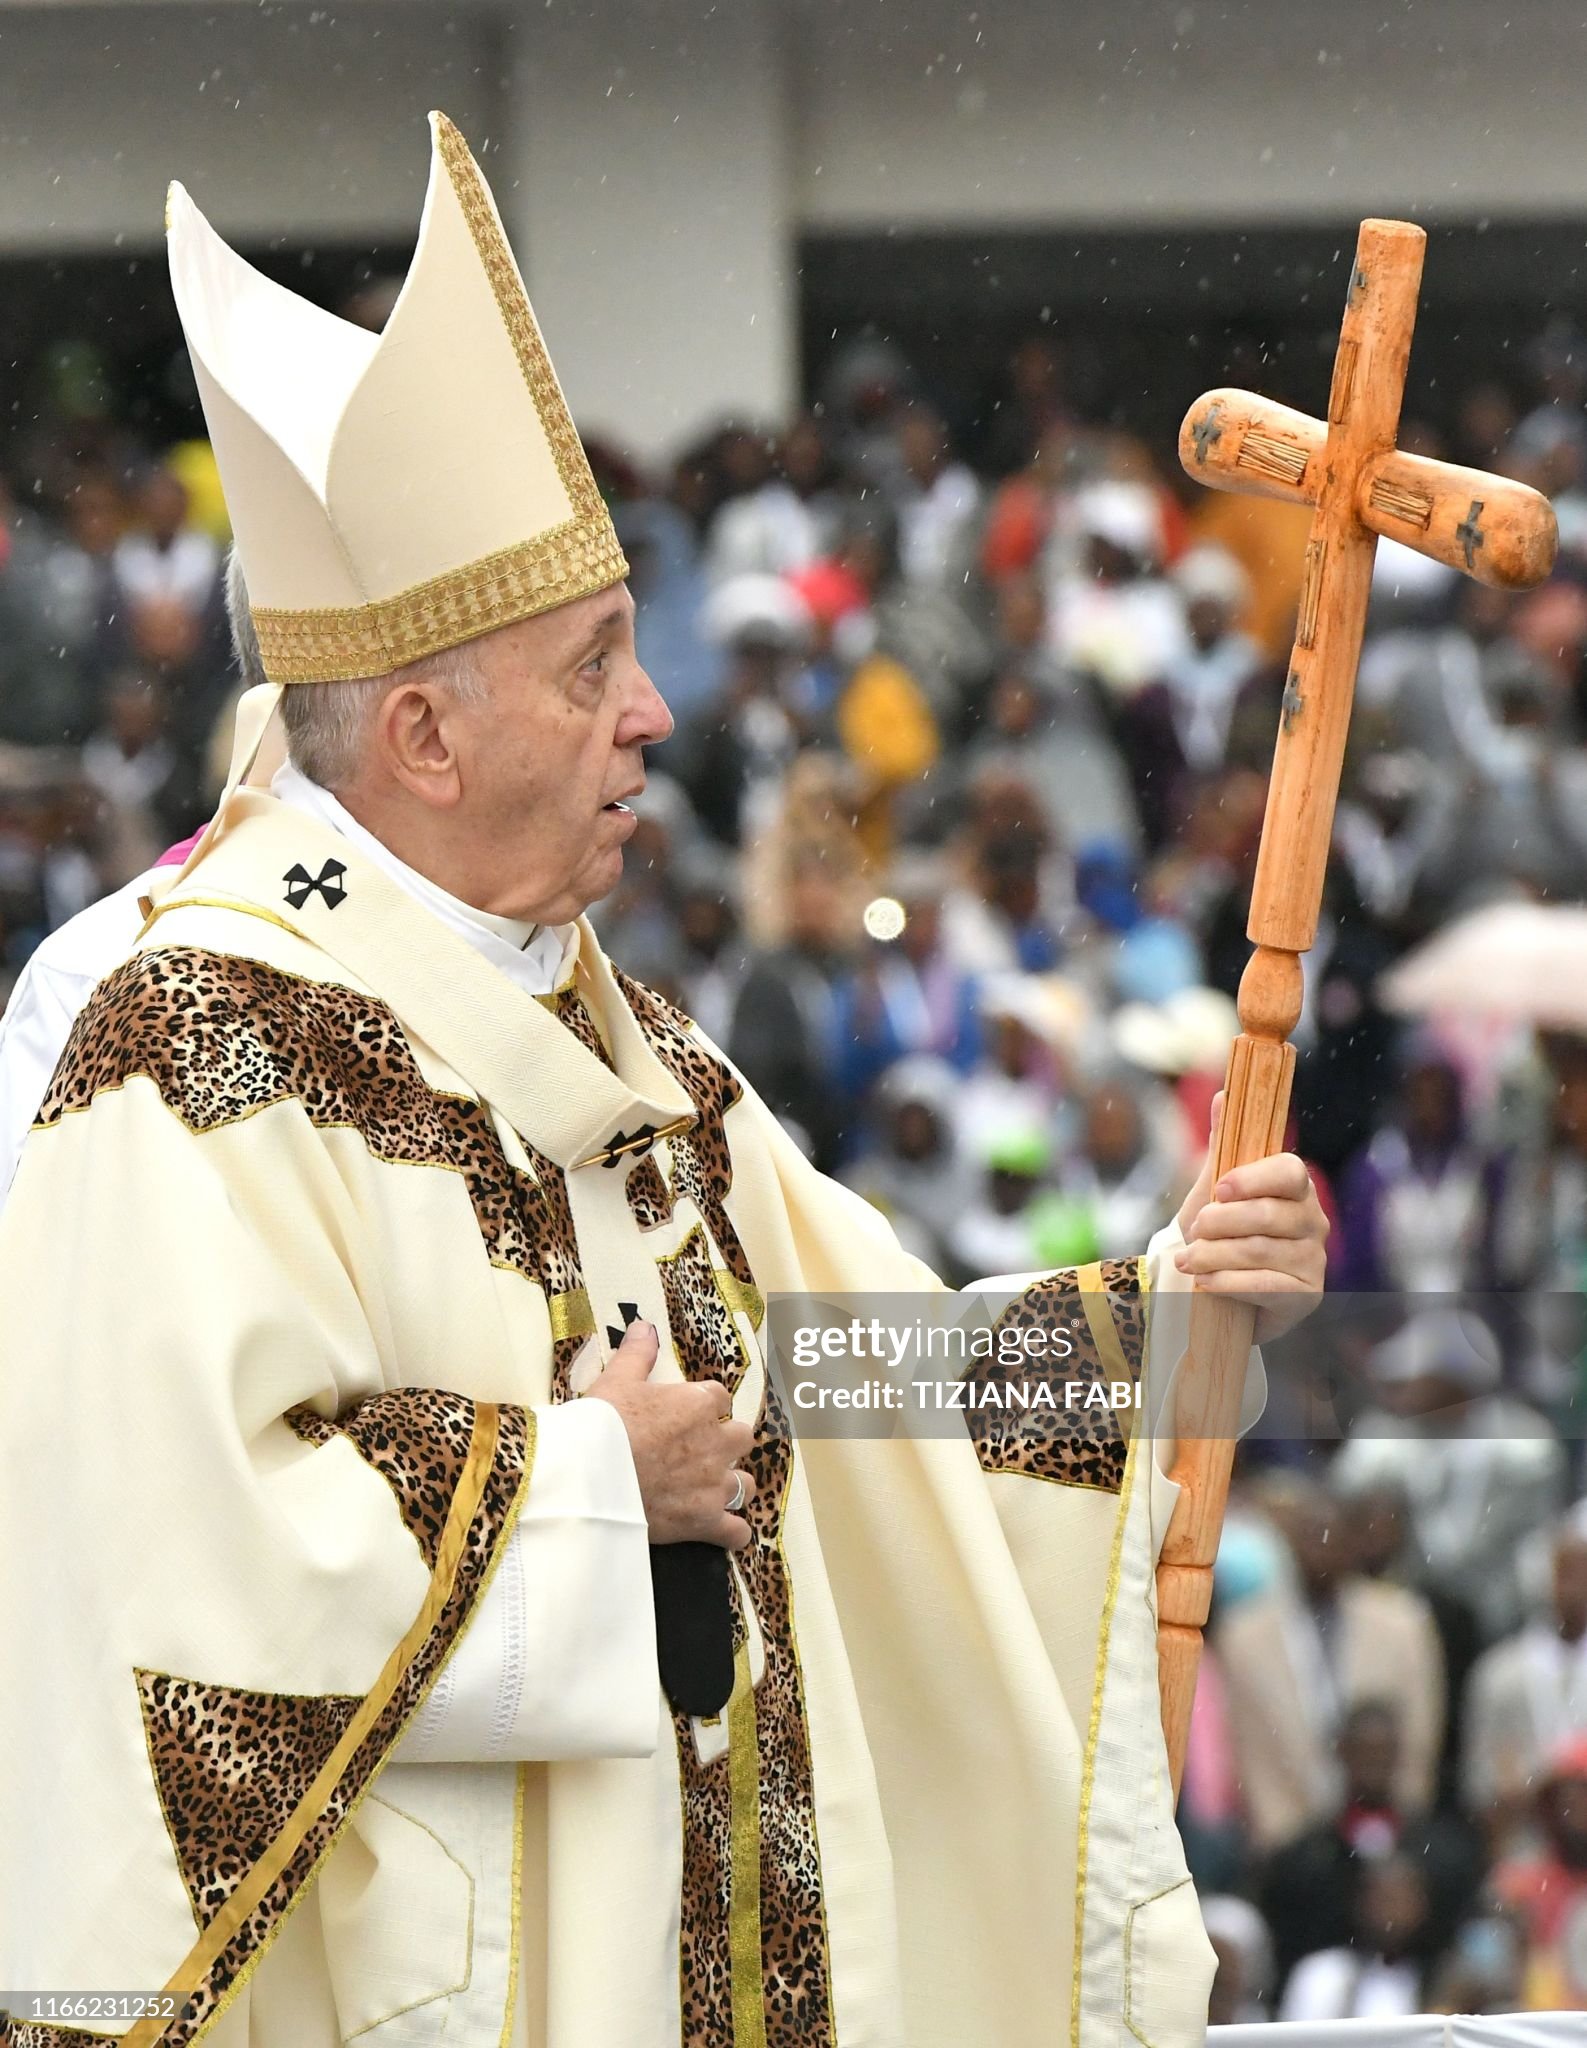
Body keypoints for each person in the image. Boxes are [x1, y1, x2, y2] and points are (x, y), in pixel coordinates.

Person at [0, 115, 1329, 2044]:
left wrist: (1165, 1321)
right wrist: (574, 1492)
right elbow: (149, 1573)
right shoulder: (185, 1051)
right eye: (593, 665)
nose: (656, 711)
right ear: (426, 735)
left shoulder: (635, 1052)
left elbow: (844, 1389)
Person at [1215, 1480, 1446, 1851]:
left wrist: (1397, 1832)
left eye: (1330, 1534)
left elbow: (1419, 1737)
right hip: (1284, 1841)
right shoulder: (1243, 1635)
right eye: (1309, 1534)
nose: (1319, 1545)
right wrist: (1282, 1843)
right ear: (1288, 1543)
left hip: (1386, 1836)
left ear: (1353, 1540)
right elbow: (1246, 1749)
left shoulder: (1404, 1624)